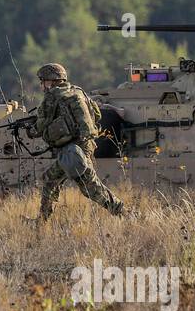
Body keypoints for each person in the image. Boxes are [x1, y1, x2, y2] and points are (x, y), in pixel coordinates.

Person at [25, 63, 124, 221]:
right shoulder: (79, 91)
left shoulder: (52, 96)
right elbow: (96, 115)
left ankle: (124, 213)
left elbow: (40, 127)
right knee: (50, 180)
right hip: (87, 144)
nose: (42, 85)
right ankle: (42, 220)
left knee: (90, 187)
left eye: (43, 81)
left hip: (73, 150)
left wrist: (29, 129)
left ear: (51, 81)